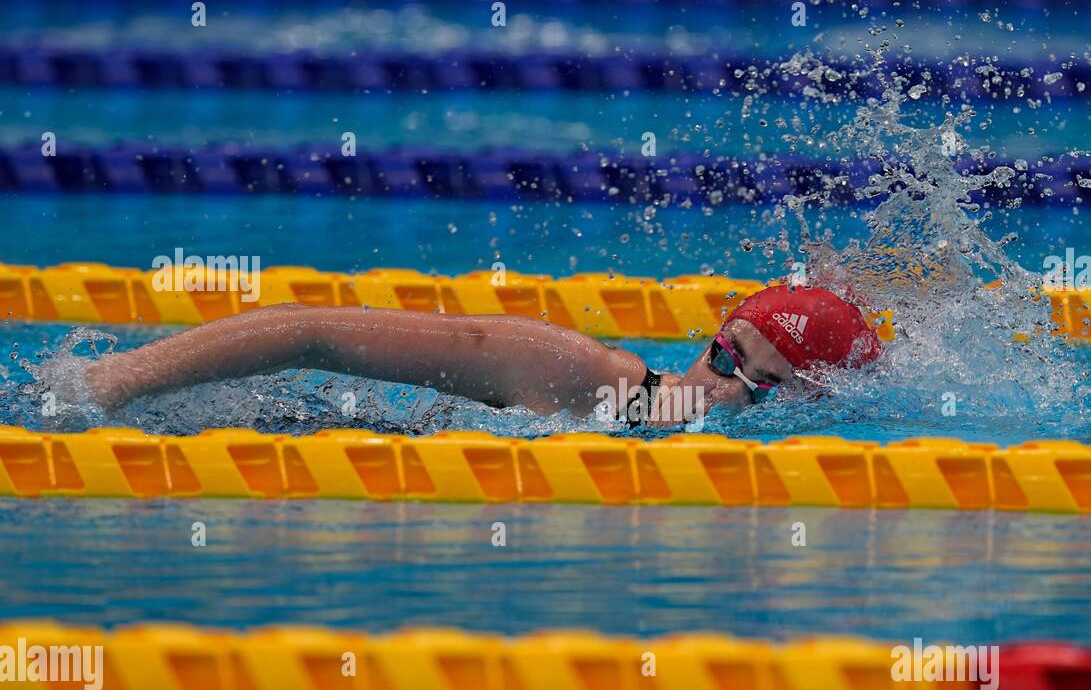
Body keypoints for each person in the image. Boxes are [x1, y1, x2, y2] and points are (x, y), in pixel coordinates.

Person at [85, 284, 883, 427]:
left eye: (763, 393)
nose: (723, 395)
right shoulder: (573, 371)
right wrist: (113, 382)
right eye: (727, 366)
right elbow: (308, 329)